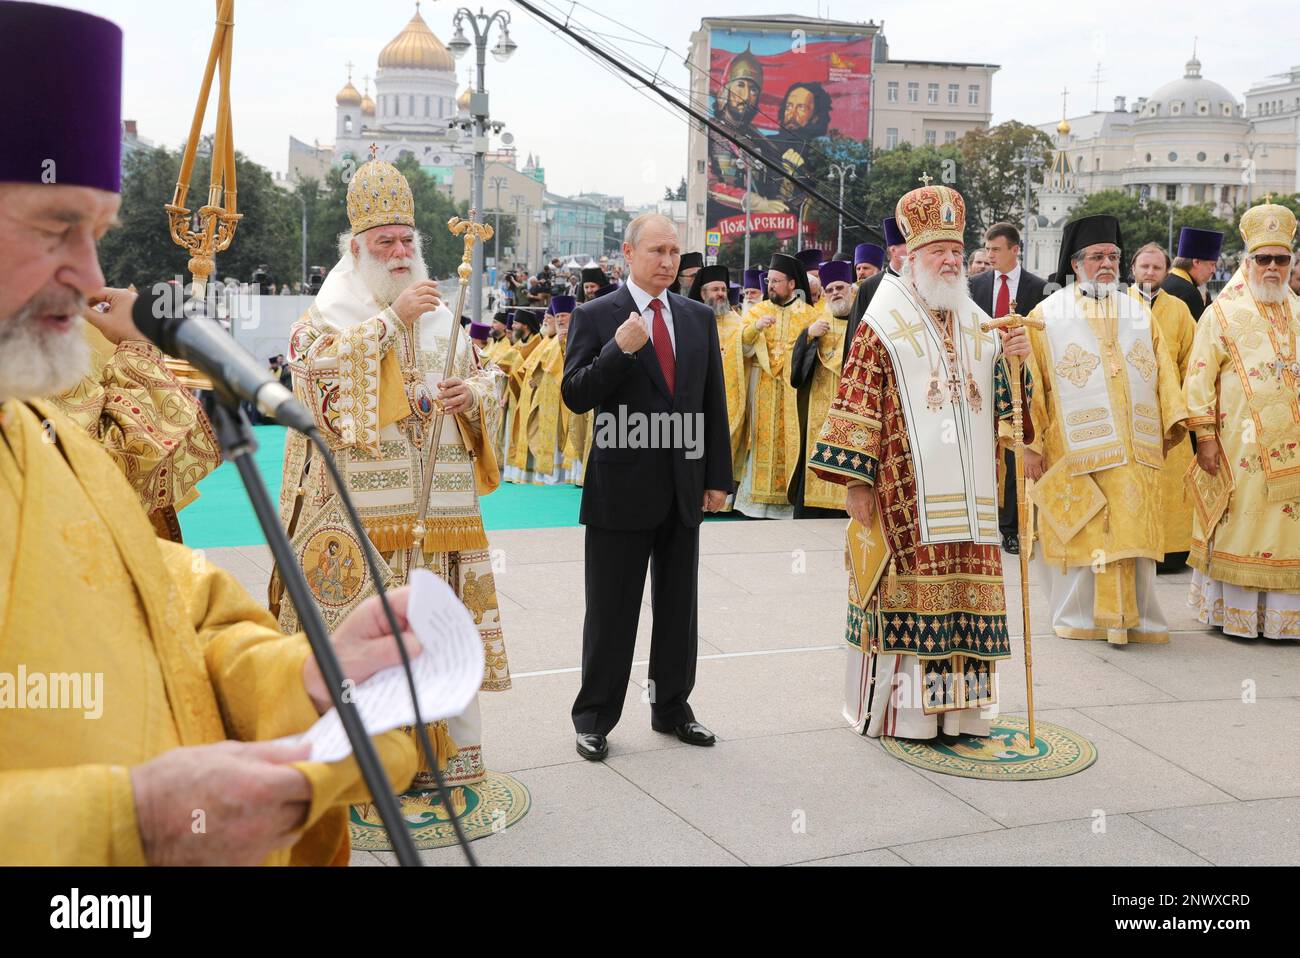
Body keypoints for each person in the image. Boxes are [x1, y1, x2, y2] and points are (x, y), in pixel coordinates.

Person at [0, 1, 418, 865]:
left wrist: (299, 679)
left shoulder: (41, 430)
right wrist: (125, 825)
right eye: (55, 228)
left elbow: (175, 614)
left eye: (99, 233)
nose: (91, 276)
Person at [278, 152, 511, 803]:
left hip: (440, 514)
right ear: (358, 249)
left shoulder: (442, 311)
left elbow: (488, 376)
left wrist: (475, 395)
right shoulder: (329, 313)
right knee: (374, 646)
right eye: (387, 242)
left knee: (439, 633)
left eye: (407, 240)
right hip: (362, 521)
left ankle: (444, 760)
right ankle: (371, 765)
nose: (401, 250)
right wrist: (391, 321)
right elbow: (312, 380)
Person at [810, 184, 1030, 739]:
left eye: (957, 251)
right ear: (911, 255)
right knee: (907, 599)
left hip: (974, 504)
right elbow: (856, 400)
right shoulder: (882, 320)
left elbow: (1010, 408)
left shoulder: (979, 320)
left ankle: (960, 715)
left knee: (965, 600)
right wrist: (857, 484)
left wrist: (1017, 362)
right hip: (904, 497)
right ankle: (904, 715)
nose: (952, 261)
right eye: (940, 252)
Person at [561, 213, 732, 760]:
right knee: (612, 611)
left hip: (683, 486)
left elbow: (712, 402)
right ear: (628, 254)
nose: (668, 261)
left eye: (674, 251)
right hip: (620, 488)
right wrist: (619, 349)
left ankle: (672, 707)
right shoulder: (596, 315)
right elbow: (576, 395)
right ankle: (594, 716)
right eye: (656, 250)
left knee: (679, 609)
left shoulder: (697, 317)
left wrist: (716, 479)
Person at [1023, 214, 1188, 645]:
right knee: (1086, 531)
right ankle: (1082, 617)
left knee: (1131, 534)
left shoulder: (1139, 311)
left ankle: (1137, 619)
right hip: (1077, 453)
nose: (1107, 264)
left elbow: (1165, 373)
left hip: (1135, 451)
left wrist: (1174, 420)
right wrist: (1031, 445)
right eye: (1096, 256)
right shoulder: (1047, 315)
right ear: (1075, 264)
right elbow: (1031, 383)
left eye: (1113, 256)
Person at [1185, 202, 1300, 639]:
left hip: (1294, 448)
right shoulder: (1222, 313)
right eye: (1263, 259)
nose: (1272, 267)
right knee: (1245, 521)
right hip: (1240, 446)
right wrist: (1204, 438)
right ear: (1247, 262)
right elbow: (1197, 377)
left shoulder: (1299, 311)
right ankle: (1236, 615)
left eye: (1282, 259)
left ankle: (1284, 621)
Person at [969, 221, 1048, 554]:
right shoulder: (974, 286)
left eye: (996, 249)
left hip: (1020, 380)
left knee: (1016, 445)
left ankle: (1012, 526)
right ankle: (983, 518)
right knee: (985, 449)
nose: (989, 255)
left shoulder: (1040, 288)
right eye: (987, 249)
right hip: (983, 376)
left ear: (1015, 250)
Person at [1130, 242, 1197, 573]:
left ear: (1166, 271)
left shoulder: (1180, 310)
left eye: (1157, 267)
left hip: (1169, 414)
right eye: (1144, 266)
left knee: (1170, 484)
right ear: (1133, 269)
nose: (1150, 272)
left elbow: (1192, 362)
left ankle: (1172, 550)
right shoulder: (1116, 307)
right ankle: (1134, 546)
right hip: (1129, 414)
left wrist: (1181, 404)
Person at [734, 252, 816, 518]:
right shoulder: (759, 310)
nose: (771, 286)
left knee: (791, 441)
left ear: (792, 284)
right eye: (769, 281)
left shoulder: (808, 315)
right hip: (763, 389)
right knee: (759, 440)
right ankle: (755, 503)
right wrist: (755, 328)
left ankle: (788, 500)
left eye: (777, 281)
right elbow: (742, 348)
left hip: (793, 393)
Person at [787, 259, 852, 517]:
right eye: (830, 290)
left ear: (850, 289)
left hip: (849, 406)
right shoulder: (818, 323)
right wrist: (809, 336)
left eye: (840, 287)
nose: (835, 293)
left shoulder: (863, 321)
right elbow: (796, 372)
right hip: (819, 406)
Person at [689, 264, 749, 496]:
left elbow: (747, 345)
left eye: (723, 289)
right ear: (703, 293)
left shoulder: (737, 321)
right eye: (715, 289)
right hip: (697, 391)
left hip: (729, 392)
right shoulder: (691, 319)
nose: (721, 294)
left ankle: (723, 493)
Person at [844, 215, 907, 363]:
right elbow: (855, 337)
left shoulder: (922, 284)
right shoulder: (869, 287)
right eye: (910, 246)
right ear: (893, 250)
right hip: (875, 365)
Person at [1163, 227, 1223, 320]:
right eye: (1212, 264)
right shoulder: (1190, 293)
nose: (1214, 270)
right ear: (1196, 262)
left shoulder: (1163, 280)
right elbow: (1201, 332)